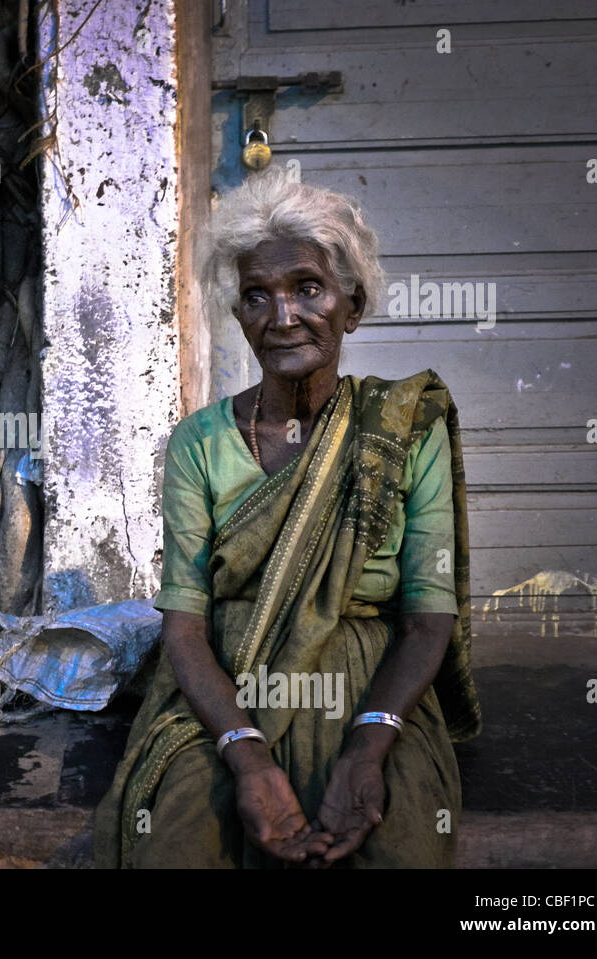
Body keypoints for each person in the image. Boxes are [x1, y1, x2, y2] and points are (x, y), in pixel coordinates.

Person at [93, 168, 482, 868]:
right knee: (175, 839)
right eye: (256, 297)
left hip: (373, 682)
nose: (282, 316)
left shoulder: (402, 429)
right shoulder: (199, 444)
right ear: (238, 317)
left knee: (402, 848)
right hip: (230, 681)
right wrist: (247, 758)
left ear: (351, 305)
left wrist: (370, 741)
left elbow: (429, 617)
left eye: (308, 288)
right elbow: (184, 628)